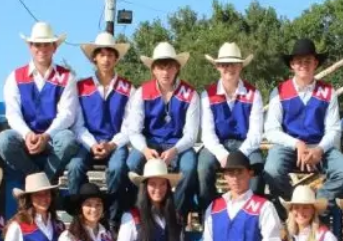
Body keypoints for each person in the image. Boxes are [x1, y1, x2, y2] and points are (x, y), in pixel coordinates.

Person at [262, 39, 343, 207]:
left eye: (308, 61)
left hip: (320, 146)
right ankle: (293, 206)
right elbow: (271, 130)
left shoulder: (328, 91)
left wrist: (319, 149)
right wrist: (296, 143)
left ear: (315, 63)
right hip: (288, 146)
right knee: (272, 171)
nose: (303, 65)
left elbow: (334, 129)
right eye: (298, 61)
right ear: (292, 65)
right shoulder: (279, 91)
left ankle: (316, 203)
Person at [0, 22, 78, 189]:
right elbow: (12, 113)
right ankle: (38, 179)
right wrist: (27, 134)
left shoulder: (66, 77)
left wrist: (46, 135)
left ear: (54, 48)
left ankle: (38, 186)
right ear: (30, 47)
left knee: (67, 139)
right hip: (25, 137)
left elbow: (67, 115)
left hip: (53, 139)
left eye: (46, 44)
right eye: (37, 44)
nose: (42, 49)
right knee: (3, 140)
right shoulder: (15, 76)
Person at [66, 32, 134, 226]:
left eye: (110, 55)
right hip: (88, 142)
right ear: (94, 58)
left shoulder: (128, 89)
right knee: (75, 167)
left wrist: (112, 145)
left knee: (118, 168)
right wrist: (92, 144)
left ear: (116, 58)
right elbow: (77, 124)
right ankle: (78, 219)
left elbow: (130, 126)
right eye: (101, 54)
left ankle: (112, 220)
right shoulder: (80, 87)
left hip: (115, 143)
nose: (106, 59)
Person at [126, 41, 201, 216]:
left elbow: (191, 134)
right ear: (153, 70)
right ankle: (138, 212)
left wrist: (175, 150)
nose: (165, 72)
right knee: (131, 164)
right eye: (161, 67)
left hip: (179, 145)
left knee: (189, 168)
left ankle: (176, 214)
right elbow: (134, 130)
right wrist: (144, 149)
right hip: (150, 142)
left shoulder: (190, 94)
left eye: (170, 67)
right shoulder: (142, 92)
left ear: (177, 68)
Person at [197, 42, 264, 208]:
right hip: (216, 145)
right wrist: (222, 155)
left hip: (245, 145)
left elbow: (255, 134)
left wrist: (239, 156)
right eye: (224, 64)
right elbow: (207, 134)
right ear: (217, 67)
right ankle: (210, 212)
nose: (229, 68)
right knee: (203, 169)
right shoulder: (207, 95)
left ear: (241, 66)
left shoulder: (254, 94)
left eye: (233, 64)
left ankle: (252, 214)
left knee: (257, 170)